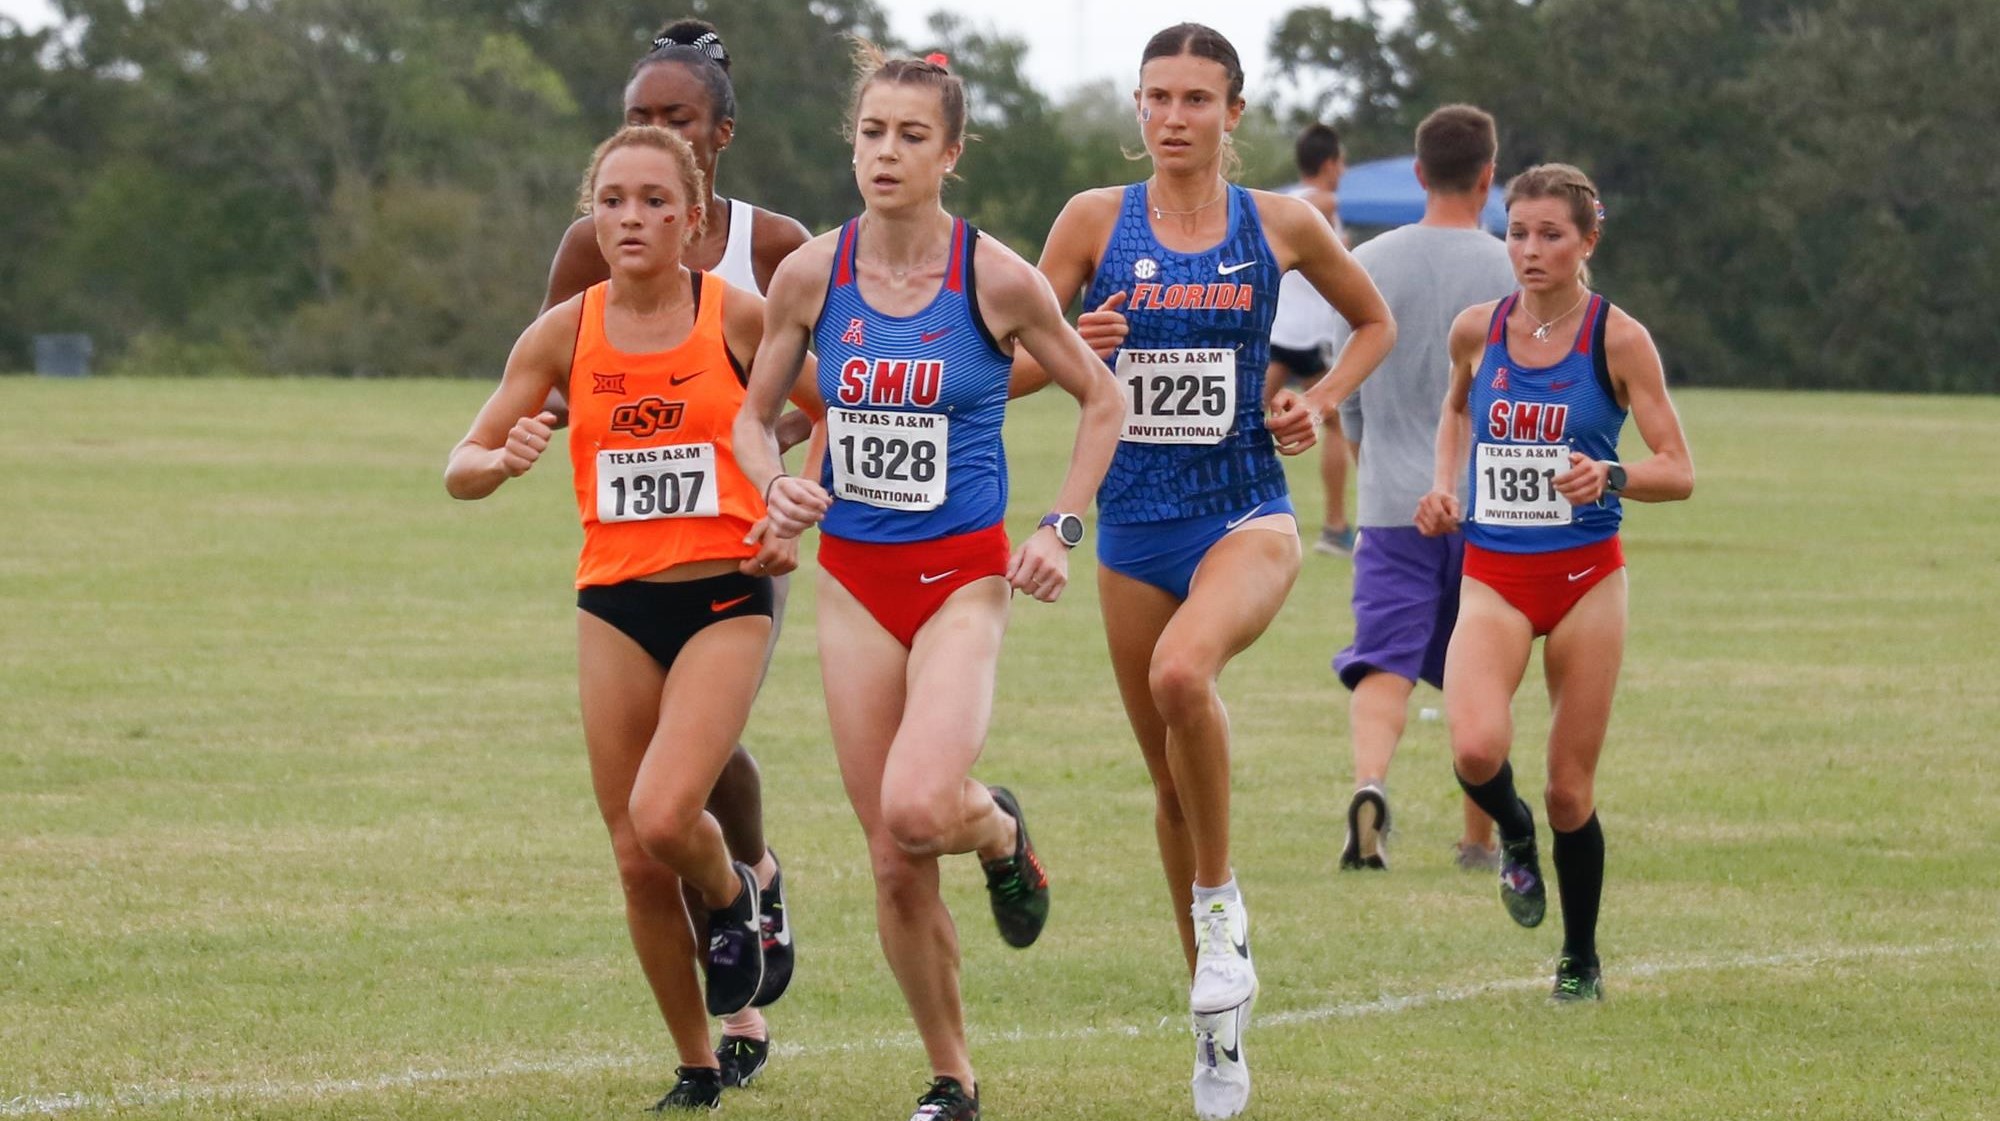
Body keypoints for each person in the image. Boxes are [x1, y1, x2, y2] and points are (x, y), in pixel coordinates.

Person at [734, 45, 1123, 1121]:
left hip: (961, 577)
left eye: (912, 135)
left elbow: (1102, 399)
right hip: (855, 581)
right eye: (872, 132)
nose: (887, 152)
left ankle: (996, 830)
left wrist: (1059, 525)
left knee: (919, 807)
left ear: (950, 153)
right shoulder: (810, 274)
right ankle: (952, 1076)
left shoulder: (993, 278)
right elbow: (751, 418)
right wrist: (775, 485)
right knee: (894, 857)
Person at [1022, 23, 1393, 1120]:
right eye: (1155, 96)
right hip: (1131, 529)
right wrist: (1072, 346)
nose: (1171, 116)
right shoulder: (1092, 220)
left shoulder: (1279, 223)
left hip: (1244, 514)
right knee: (1168, 785)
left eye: (1194, 98)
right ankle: (1215, 1023)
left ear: (1234, 112)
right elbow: (1005, 357)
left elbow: (1372, 322)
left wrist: (1319, 399)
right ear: (1137, 108)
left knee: (1184, 674)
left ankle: (1221, 904)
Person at [446, 125, 823, 1110]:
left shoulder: (737, 316)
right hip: (614, 602)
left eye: (655, 201)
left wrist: (790, 500)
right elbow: (460, 466)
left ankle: (735, 892)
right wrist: (500, 460)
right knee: (634, 854)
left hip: (724, 595)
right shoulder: (562, 333)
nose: (631, 218)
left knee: (664, 814)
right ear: (593, 213)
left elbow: (830, 408)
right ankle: (696, 1064)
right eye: (612, 200)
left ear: (692, 219)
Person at [537, 20, 814, 1086]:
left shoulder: (774, 247)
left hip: (740, 550)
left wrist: (764, 459)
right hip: (622, 563)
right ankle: (734, 983)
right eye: (637, 118)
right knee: (656, 810)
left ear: (720, 134)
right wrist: (534, 430)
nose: (657, 132)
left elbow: (825, 391)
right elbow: (562, 377)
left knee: (685, 772)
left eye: (677, 118)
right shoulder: (591, 243)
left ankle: (751, 885)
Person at [1415, 163, 1694, 1002]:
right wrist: (1444, 485)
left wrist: (1611, 475)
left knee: (1570, 790)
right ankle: (1513, 833)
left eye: (1550, 235)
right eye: (1517, 232)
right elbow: (1456, 410)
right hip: (1494, 576)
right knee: (1475, 747)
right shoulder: (1477, 328)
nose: (1530, 250)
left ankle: (1579, 957)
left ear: (1588, 240)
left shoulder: (1619, 339)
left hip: (1584, 580)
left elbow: (1678, 469)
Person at [1327, 105, 1515, 873]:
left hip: (1391, 506)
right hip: (1492, 507)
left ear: (1417, 173)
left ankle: (1370, 784)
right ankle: (1478, 839)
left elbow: (1346, 396)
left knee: (1383, 661)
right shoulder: (1514, 268)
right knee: (1483, 673)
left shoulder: (1367, 263)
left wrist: (1375, 474)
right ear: (1488, 177)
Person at [1266, 122, 1357, 556]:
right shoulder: (1319, 202)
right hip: (1310, 337)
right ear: (1330, 164)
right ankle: (1336, 526)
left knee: (1238, 417)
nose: (1344, 172)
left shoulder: (1284, 203)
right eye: (1342, 163)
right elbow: (1320, 205)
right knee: (1335, 424)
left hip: (1278, 333)